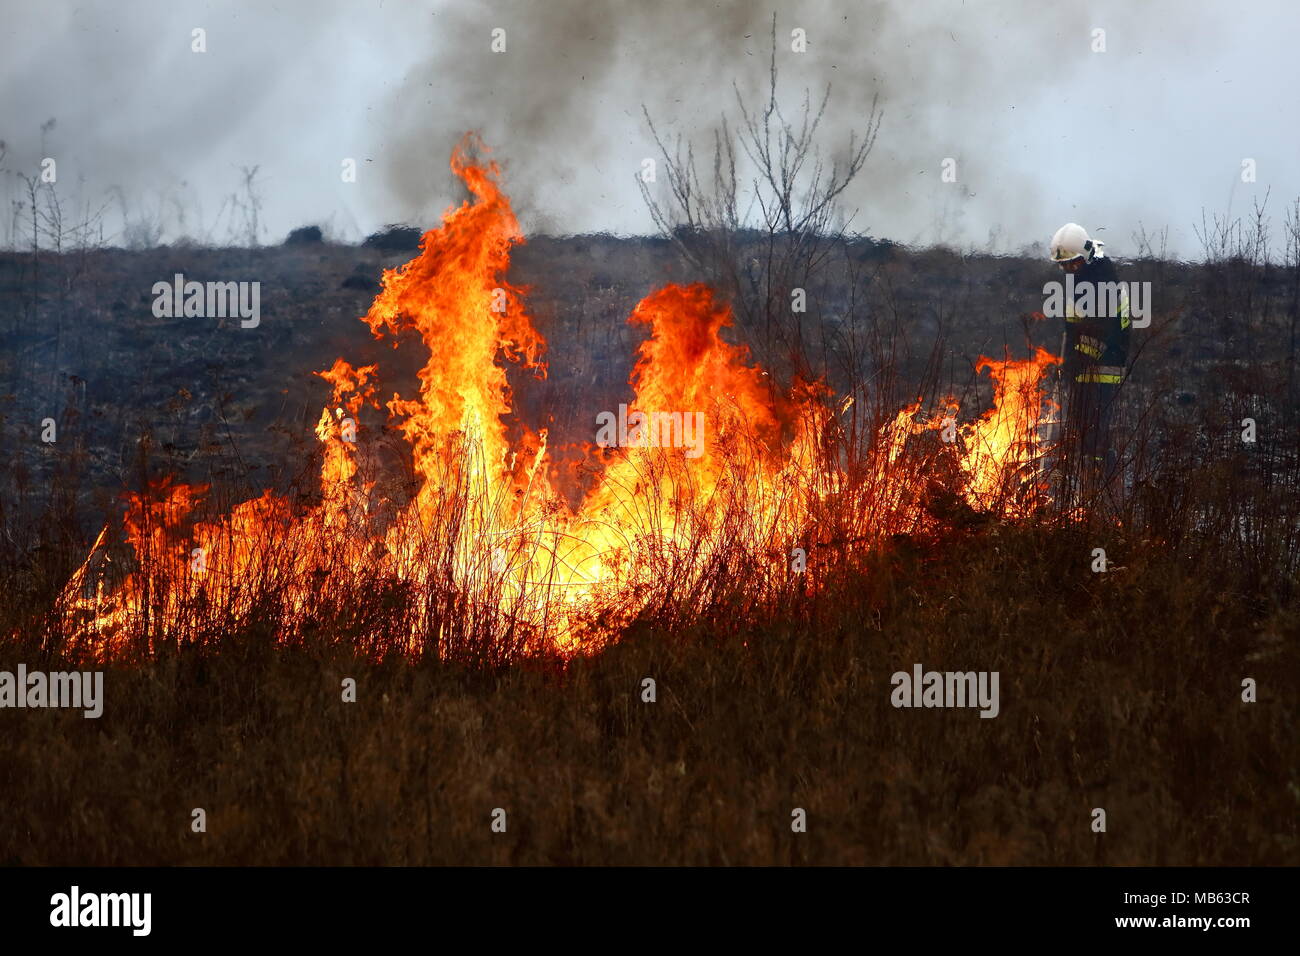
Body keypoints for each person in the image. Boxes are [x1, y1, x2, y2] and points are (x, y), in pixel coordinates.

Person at [1047, 222, 1131, 499]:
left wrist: (1080, 358)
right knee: (1077, 430)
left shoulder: (1105, 281)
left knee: (1095, 432)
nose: (1068, 270)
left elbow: (1103, 329)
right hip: (1083, 366)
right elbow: (1073, 328)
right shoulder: (1080, 279)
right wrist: (1069, 363)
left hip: (1105, 365)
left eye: (1073, 264)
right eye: (1065, 266)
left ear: (1086, 256)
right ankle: (1072, 486)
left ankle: (1102, 490)